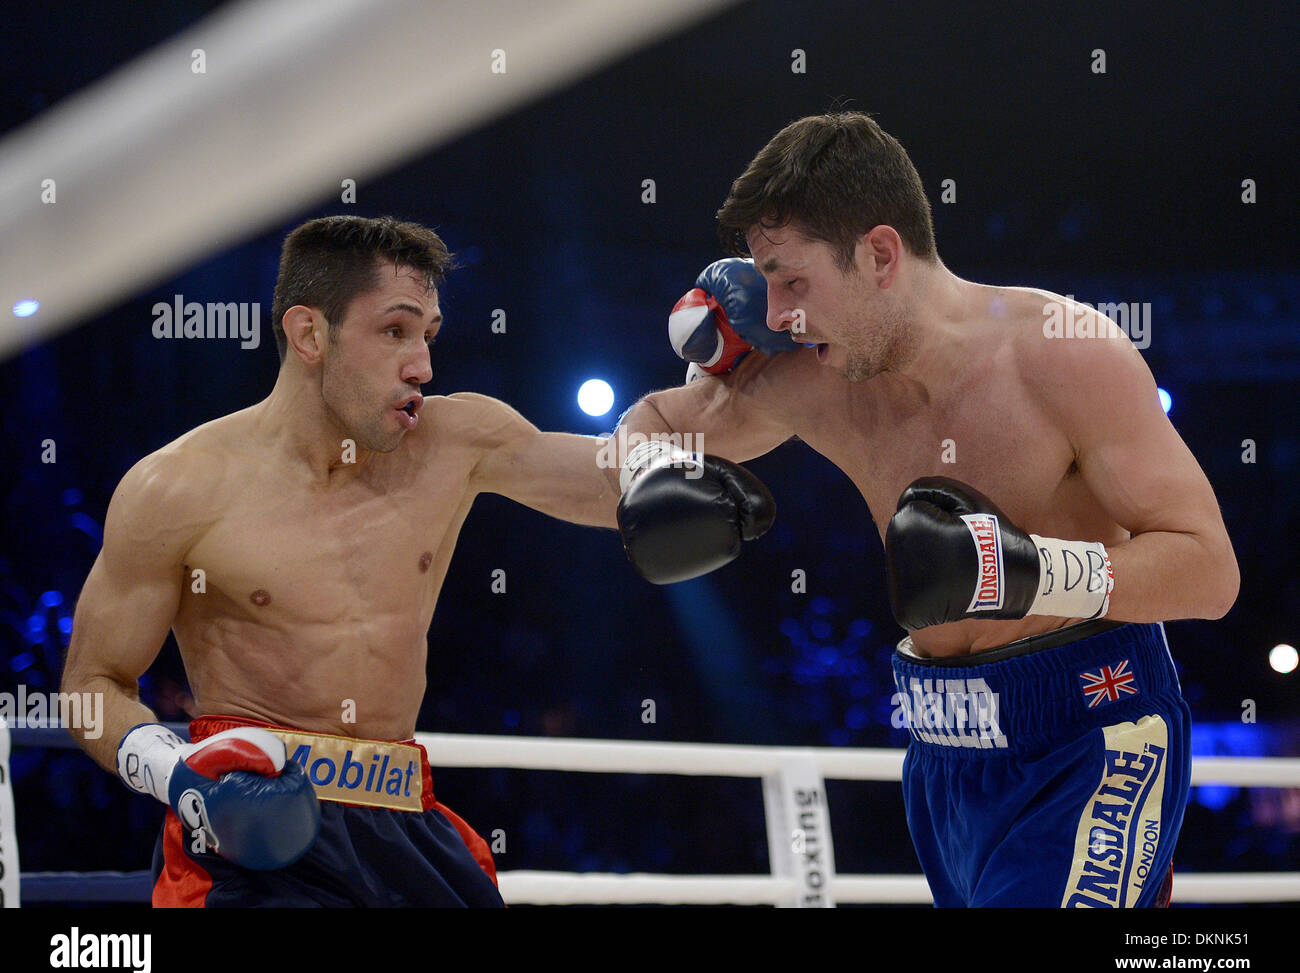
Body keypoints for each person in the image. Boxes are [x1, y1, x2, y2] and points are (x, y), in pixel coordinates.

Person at [608, 112, 1239, 907]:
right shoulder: (822, 380)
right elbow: (657, 420)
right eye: (764, 280)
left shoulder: (1063, 350)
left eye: (792, 280)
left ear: (878, 254)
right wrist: (645, 470)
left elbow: (1211, 570)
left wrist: (1032, 572)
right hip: (943, 748)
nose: (772, 315)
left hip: (1094, 731)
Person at [60, 215, 769, 907]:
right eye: (395, 331)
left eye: (428, 335)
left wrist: (737, 370)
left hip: (405, 823)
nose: (423, 365)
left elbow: (628, 477)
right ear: (309, 333)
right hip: (251, 834)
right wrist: (175, 771)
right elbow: (92, 683)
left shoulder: (455, 440)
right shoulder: (178, 487)